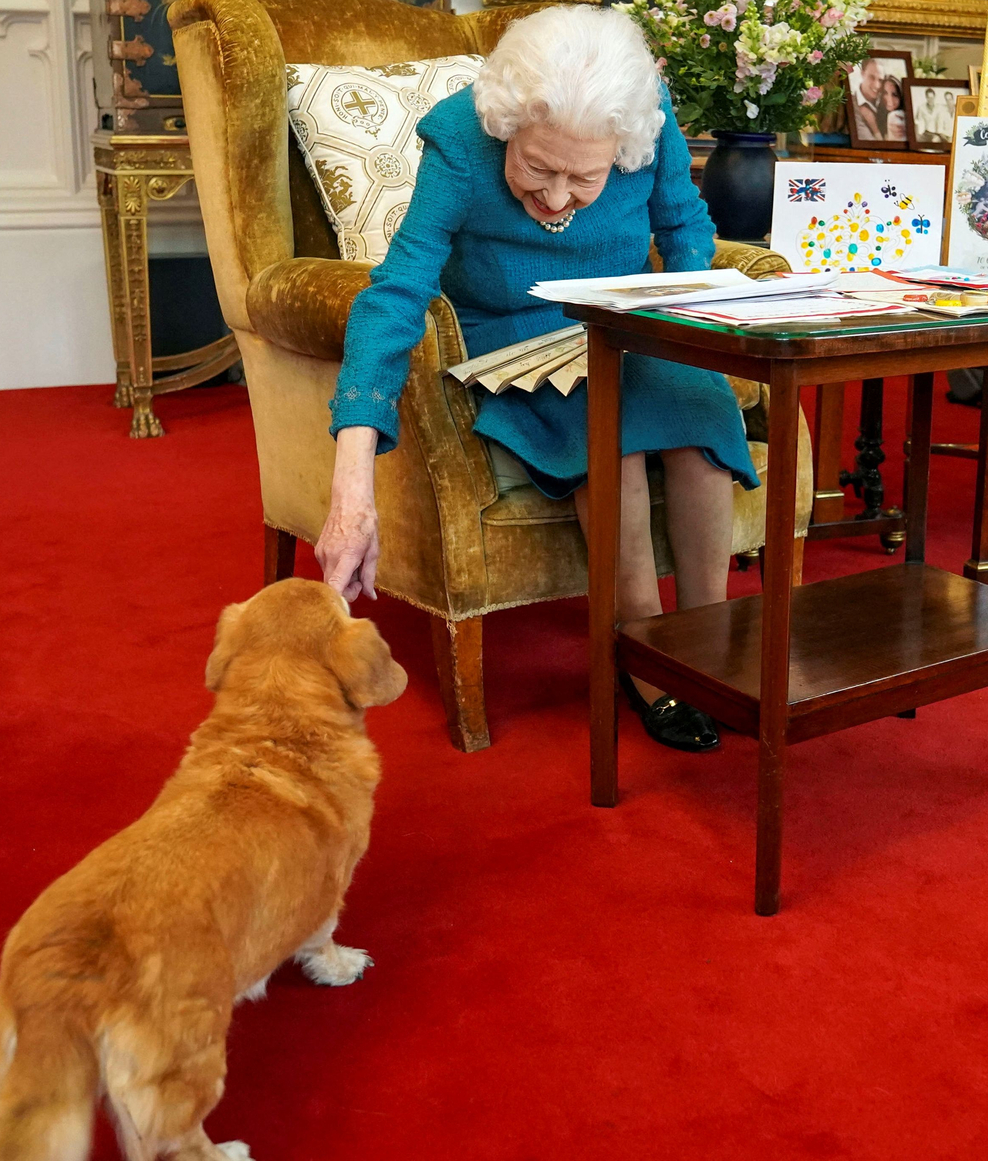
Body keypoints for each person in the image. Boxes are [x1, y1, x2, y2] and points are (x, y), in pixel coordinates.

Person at [316, 6, 759, 753]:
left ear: (621, 145)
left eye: (584, 177)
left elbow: (685, 232)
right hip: (510, 330)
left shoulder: (646, 119)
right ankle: (644, 656)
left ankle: (704, 647)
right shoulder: (460, 137)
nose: (557, 199)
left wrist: (695, 331)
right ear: (506, 126)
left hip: (628, 320)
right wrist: (352, 477)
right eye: (536, 169)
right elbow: (396, 292)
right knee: (608, 441)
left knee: (701, 429)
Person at [852, 58, 885, 140]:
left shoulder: (887, 102)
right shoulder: (852, 103)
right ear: (862, 74)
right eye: (872, 77)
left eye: (880, 80)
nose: (876, 85)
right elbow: (867, 141)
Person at [881, 76, 907, 141]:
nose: (889, 99)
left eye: (894, 94)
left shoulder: (899, 115)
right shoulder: (878, 115)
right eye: (885, 93)